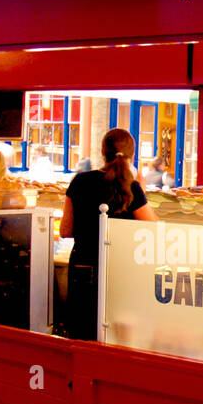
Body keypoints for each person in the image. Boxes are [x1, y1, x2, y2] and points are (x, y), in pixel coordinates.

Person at [61, 128, 157, 340]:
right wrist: (142, 190)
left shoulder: (79, 181)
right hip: (120, 271)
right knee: (116, 337)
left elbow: (65, 230)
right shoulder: (131, 188)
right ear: (132, 156)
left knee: (82, 335)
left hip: (83, 267)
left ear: (102, 152)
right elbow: (154, 230)